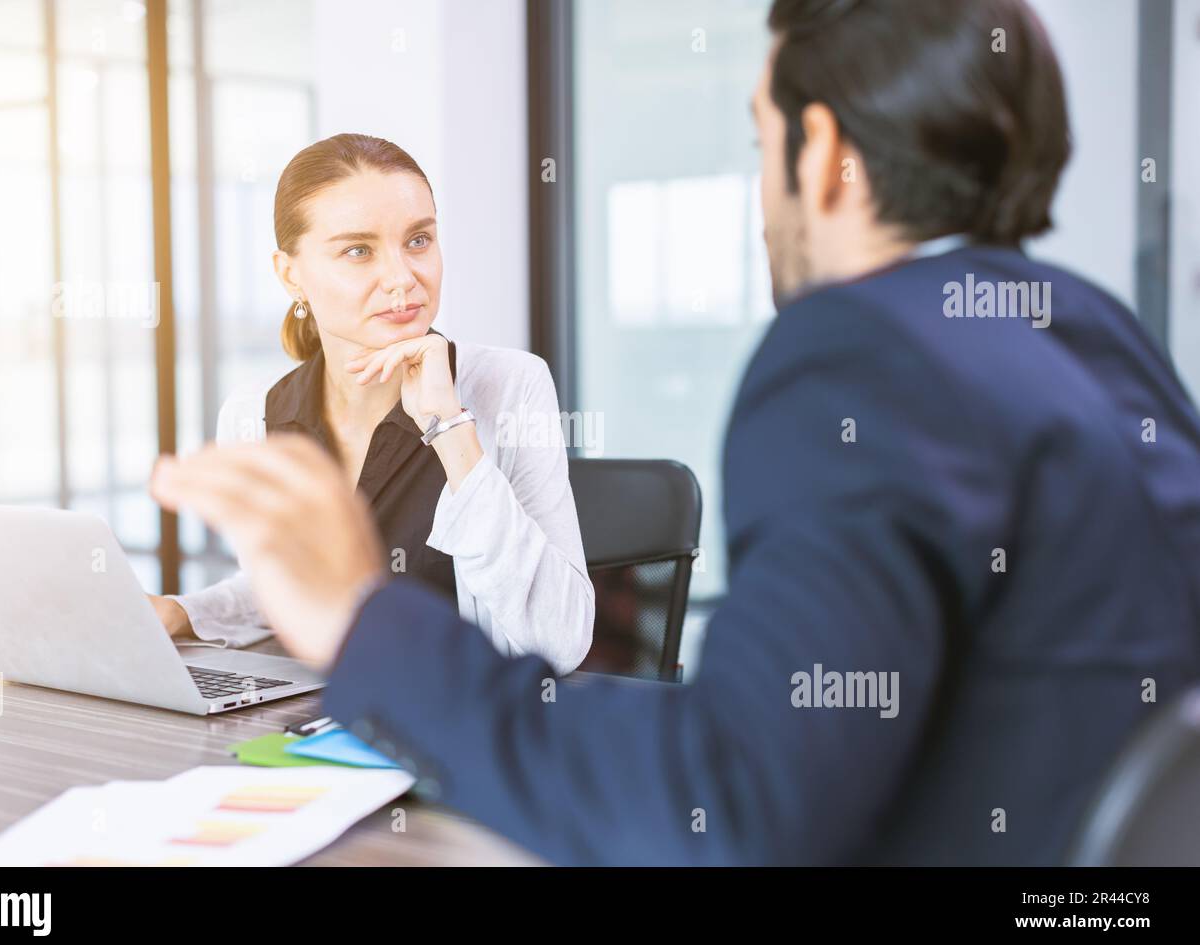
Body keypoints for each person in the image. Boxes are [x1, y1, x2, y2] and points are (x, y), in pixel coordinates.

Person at [150, 0, 1200, 864]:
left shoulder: (858, 356)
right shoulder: (1094, 331)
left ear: (822, 148)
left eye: (760, 140)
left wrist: (363, 623)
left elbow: (728, 800)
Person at [150, 133, 593, 675]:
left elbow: (561, 641)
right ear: (291, 274)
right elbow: (288, 591)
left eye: (418, 240)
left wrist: (450, 428)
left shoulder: (510, 385)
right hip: (318, 724)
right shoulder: (253, 415)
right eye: (358, 251)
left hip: (460, 730)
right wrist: (185, 614)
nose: (403, 278)